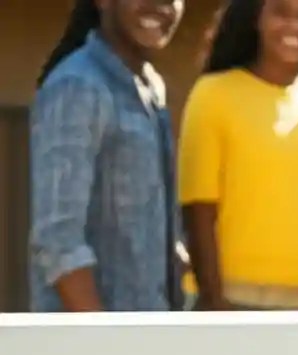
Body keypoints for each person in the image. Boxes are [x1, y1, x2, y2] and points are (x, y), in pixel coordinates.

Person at [178, 0, 298, 310]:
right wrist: (214, 301)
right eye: (281, 12)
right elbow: (198, 209)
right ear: (256, 19)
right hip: (234, 298)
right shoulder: (213, 94)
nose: (295, 26)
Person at [28, 0, 186, 312]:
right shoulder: (78, 85)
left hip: (147, 334)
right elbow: (59, 241)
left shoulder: (151, 87)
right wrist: (102, 342)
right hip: (93, 348)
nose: (161, 6)